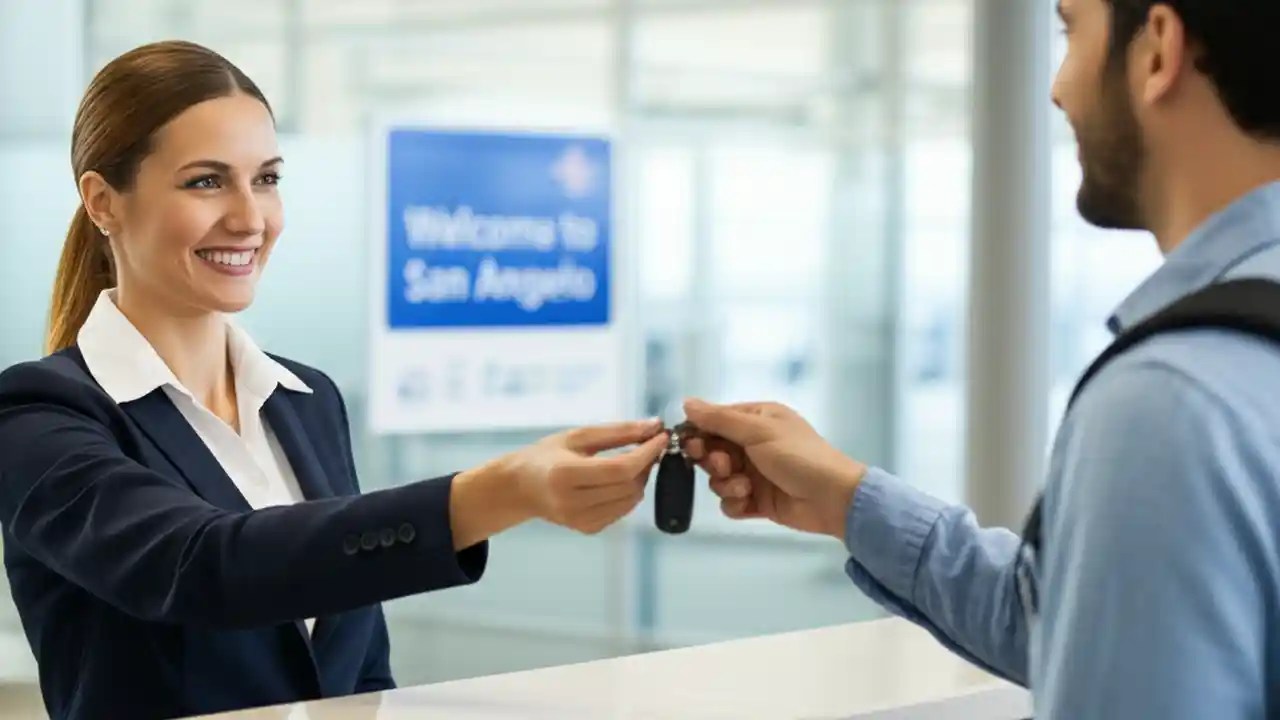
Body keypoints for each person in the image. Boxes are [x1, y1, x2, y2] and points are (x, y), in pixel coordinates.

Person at [0, 41, 667, 720]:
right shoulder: (39, 416)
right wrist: (497, 493)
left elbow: (360, 670)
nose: (249, 218)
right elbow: (199, 568)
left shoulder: (306, 400)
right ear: (102, 202)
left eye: (266, 178)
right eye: (205, 181)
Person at [683, 0, 1280, 717]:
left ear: (1157, 49)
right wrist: (847, 499)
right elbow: (1076, 627)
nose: (1058, 87)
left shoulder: (1171, 405)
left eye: (1071, 31)